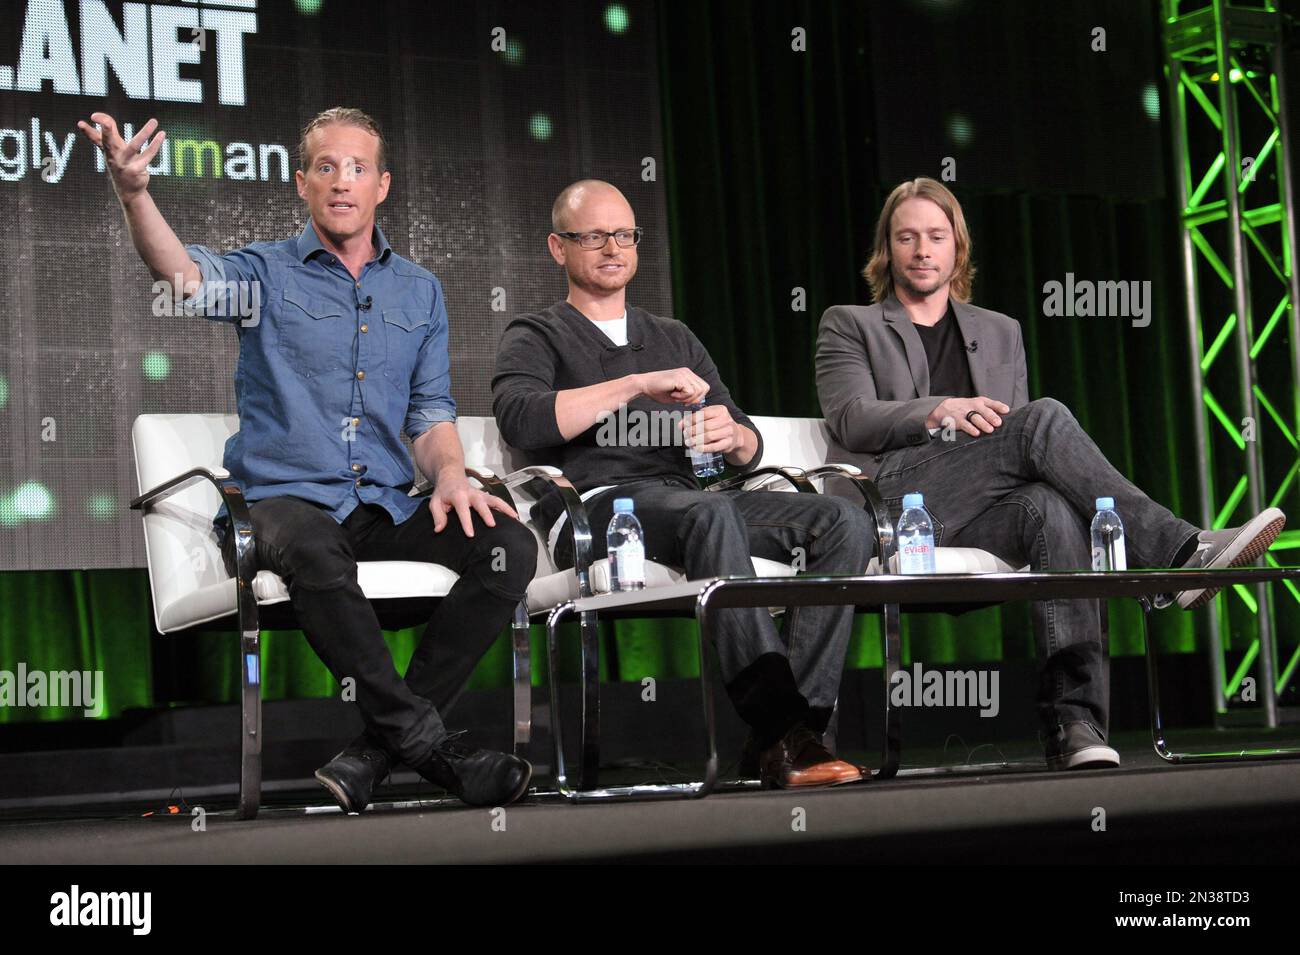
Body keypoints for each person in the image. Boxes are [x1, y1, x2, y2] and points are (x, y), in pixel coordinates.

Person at [78, 107, 537, 811]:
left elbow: (430, 411)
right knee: (317, 548)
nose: (342, 182)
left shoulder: (420, 290)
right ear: (302, 183)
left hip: (383, 501)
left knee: (505, 543)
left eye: (358, 168)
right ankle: (433, 748)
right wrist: (135, 193)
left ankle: (377, 751)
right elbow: (185, 277)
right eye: (326, 167)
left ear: (382, 185)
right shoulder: (264, 274)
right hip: (286, 502)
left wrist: (449, 473)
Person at [815, 176, 1286, 769]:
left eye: (936, 236)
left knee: (1051, 506)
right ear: (888, 248)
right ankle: (1180, 553)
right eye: (907, 238)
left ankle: (1074, 725)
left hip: (978, 504)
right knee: (1043, 422)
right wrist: (937, 410)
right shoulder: (848, 323)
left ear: (957, 246)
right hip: (893, 504)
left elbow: (1015, 457)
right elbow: (852, 419)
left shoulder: (999, 330)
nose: (922, 250)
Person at [493, 179, 876, 788]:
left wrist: (736, 437)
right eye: (592, 236)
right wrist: (635, 385)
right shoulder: (536, 334)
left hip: (694, 500)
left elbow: (745, 442)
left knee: (843, 523)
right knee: (709, 515)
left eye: (624, 235)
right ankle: (784, 731)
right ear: (556, 247)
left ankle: (795, 732)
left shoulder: (672, 335)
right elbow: (523, 417)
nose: (612, 247)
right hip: (598, 513)